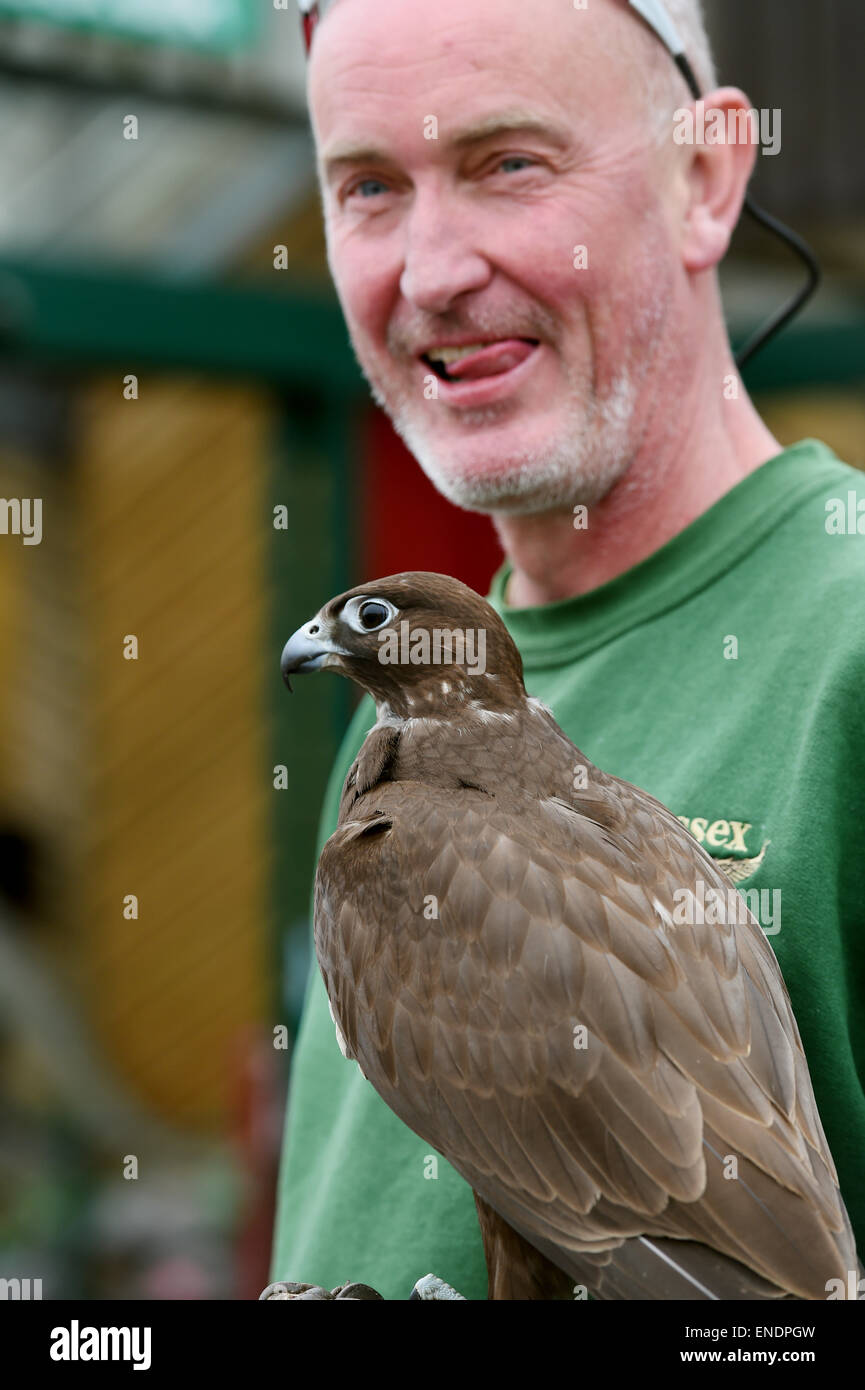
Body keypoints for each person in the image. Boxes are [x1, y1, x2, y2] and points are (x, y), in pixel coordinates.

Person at [270, 0, 865, 1299]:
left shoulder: (849, 647)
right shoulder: (395, 762)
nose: (431, 270)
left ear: (704, 175)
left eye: (507, 163)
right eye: (368, 186)